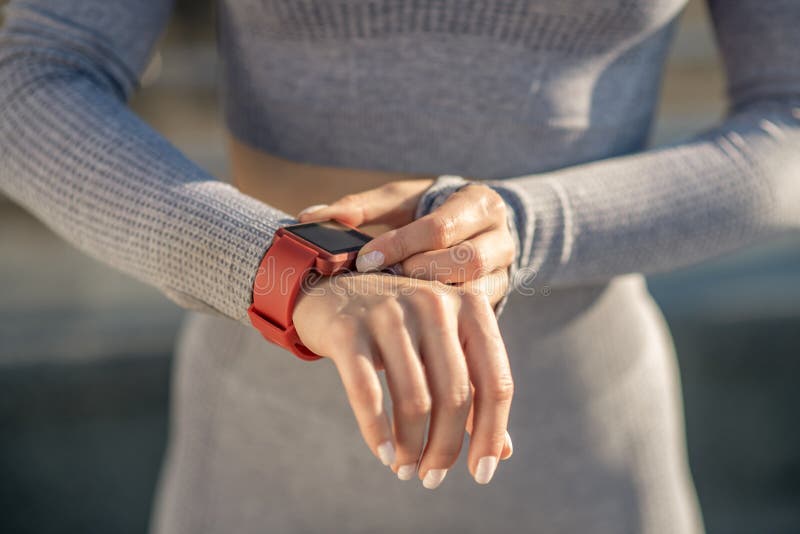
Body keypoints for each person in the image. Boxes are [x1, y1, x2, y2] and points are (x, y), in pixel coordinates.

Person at [0, 0, 797, 532]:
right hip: (265, 458)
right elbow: (29, 79)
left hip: (585, 456)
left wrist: (525, 226)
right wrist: (283, 267)